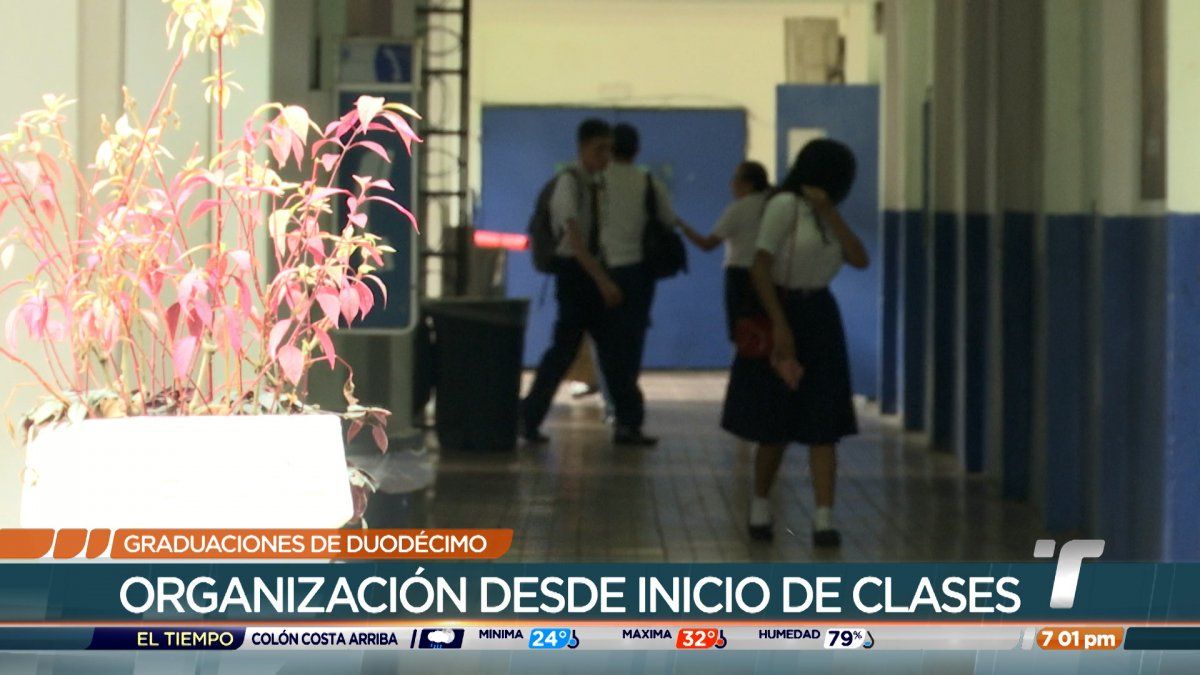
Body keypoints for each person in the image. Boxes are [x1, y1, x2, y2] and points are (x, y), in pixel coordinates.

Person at [719, 139, 869, 547]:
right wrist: (780, 325)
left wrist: (828, 211)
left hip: (821, 314)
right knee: (775, 422)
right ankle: (761, 505)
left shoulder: (826, 214)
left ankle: (824, 519)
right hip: (784, 310)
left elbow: (859, 258)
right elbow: (759, 266)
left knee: (825, 423)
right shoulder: (783, 206)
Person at [520, 119, 657, 446]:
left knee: (612, 352)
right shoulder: (569, 184)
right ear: (582, 148)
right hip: (576, 275)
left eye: (610, 149)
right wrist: (603, 281)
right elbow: (576, 242)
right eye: (600, 149)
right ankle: (529, 418)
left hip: (592, 272)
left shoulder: (597, 184)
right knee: (565, 352)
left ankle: (628, 424)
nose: (607, 156)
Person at [678, 160, 771, 340]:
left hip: (741, 275)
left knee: (742, 330)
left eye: (735, 178)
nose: (731, 184)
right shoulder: (772, 204)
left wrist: (681, 225)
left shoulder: (738, 209)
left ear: (748, 184)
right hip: (769, 272)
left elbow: (707, 244)